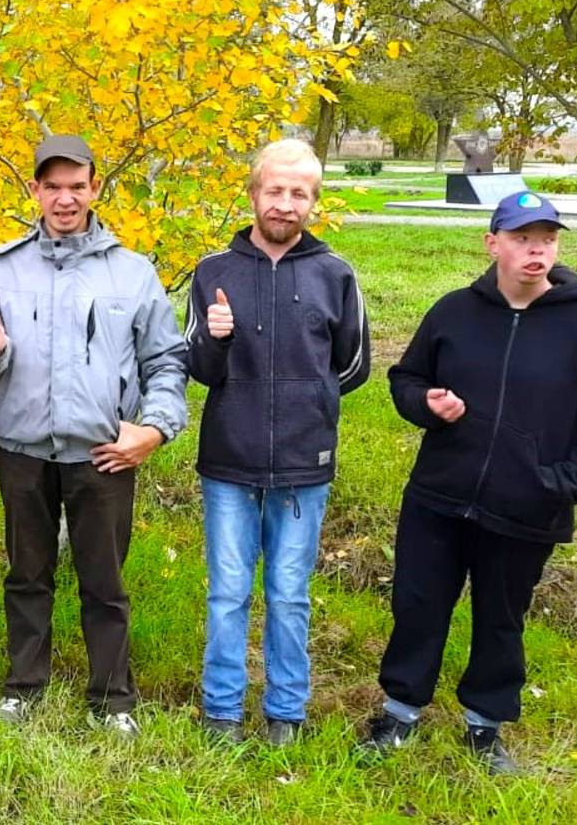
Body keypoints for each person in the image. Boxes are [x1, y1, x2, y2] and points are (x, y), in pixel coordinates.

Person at [363, 190, 577, 773]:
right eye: (521, 239)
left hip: (527, 508)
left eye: (547, 240)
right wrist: (425, 404)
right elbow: (405, 378)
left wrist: (560, 483)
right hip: (438, 497)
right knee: (417, 607)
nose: (536, 251)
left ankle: (485, 727)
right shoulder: (454, 312)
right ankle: (399, 711)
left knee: (501, 617)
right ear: (493, 244)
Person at [0, 134, 189, 736]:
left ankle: (113, 700)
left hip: (105, 453)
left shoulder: (132, 272)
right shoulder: (2, 267)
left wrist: (155, 428)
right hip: (22, 447)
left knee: (105, 581)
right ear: (35, 191)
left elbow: (167, 360)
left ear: (95, 189)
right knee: (26, 575)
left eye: (76, 187)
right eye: (53, 187)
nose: (64, 199)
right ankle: (22, 689)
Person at [185, 139, 370, 745]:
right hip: (229, 464)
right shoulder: (215, 271)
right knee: (228, 592)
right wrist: (214, 340)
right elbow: (200, 367)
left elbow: (352, 366)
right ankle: (222, 711)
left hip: (302, 465)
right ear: (253, 193)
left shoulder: (335, 275)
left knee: (290, 595)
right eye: (276, 190)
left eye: (300, 193)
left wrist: (307, 407)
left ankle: (286, 713)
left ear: (314, 201)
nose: (286, 204)